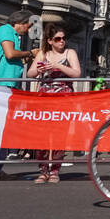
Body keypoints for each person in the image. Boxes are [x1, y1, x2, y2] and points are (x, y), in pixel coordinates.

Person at [0, 10, 36, 181]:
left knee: (6, 129)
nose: (28, 30)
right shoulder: (5, 30)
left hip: (10, 84)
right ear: (21, 22)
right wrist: (29, 53)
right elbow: (10, 54)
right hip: (1, 84)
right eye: (28, 26)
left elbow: (13, 59)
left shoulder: (14, 36)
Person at [26, 25, 80, 182]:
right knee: (42, 136)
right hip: (44, 98)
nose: (62, 41)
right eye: (58, 39)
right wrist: (39, 70)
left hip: (63, 98)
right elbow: (30, 73)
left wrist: (58, 65)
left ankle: (55, 170)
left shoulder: (70, 53)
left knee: (59, 135)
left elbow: (77, 73)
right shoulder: (43, 53)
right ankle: (43, 170)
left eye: (63, 38)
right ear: (50, 41)